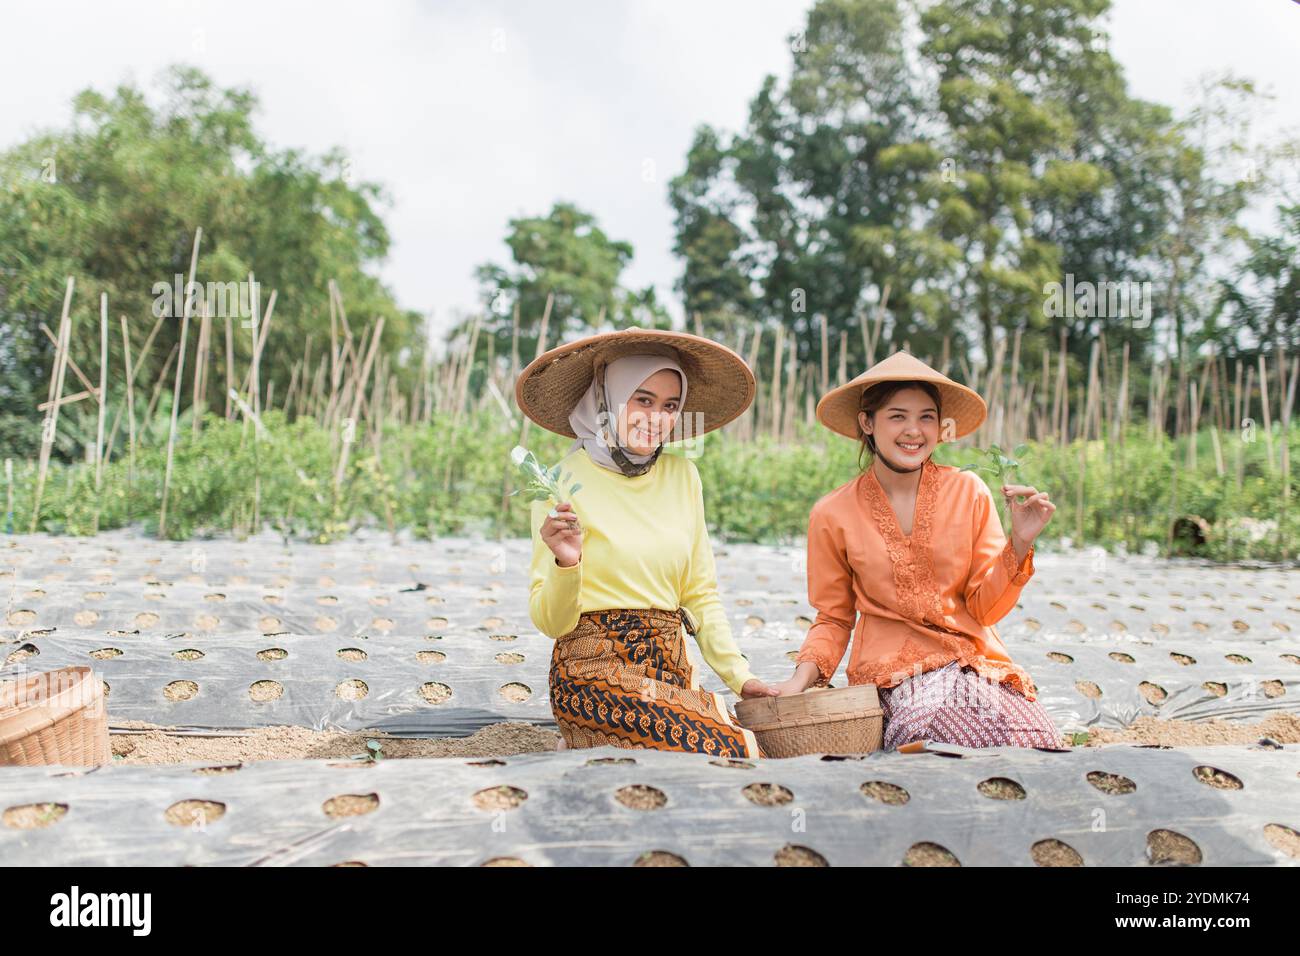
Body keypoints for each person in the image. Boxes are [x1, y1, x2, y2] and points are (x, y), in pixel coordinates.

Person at [773, 351, 1062, 750]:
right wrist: (797, 682)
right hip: (896, 679)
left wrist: (1020, 542)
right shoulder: (832, 512)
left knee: (1039, 741)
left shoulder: (969, 491)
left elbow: (984, 611)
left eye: (926, 417)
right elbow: (834, 618)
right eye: (898, 416)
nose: (914, 430)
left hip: (971, 668)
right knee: (932, 735)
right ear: (867, 423)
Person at [515, 329, 778, 758]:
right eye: (642, 400)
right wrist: (567, 564)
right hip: (590, 670)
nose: (656, 418)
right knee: (728, 751)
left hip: (669, 667)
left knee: (754, 745)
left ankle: (589, 744)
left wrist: (741, 678)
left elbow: (699, 593)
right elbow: (551, 622)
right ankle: (585, 731)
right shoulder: (558, 484)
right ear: (608, 399)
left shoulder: (683, 476)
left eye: (670, 406)